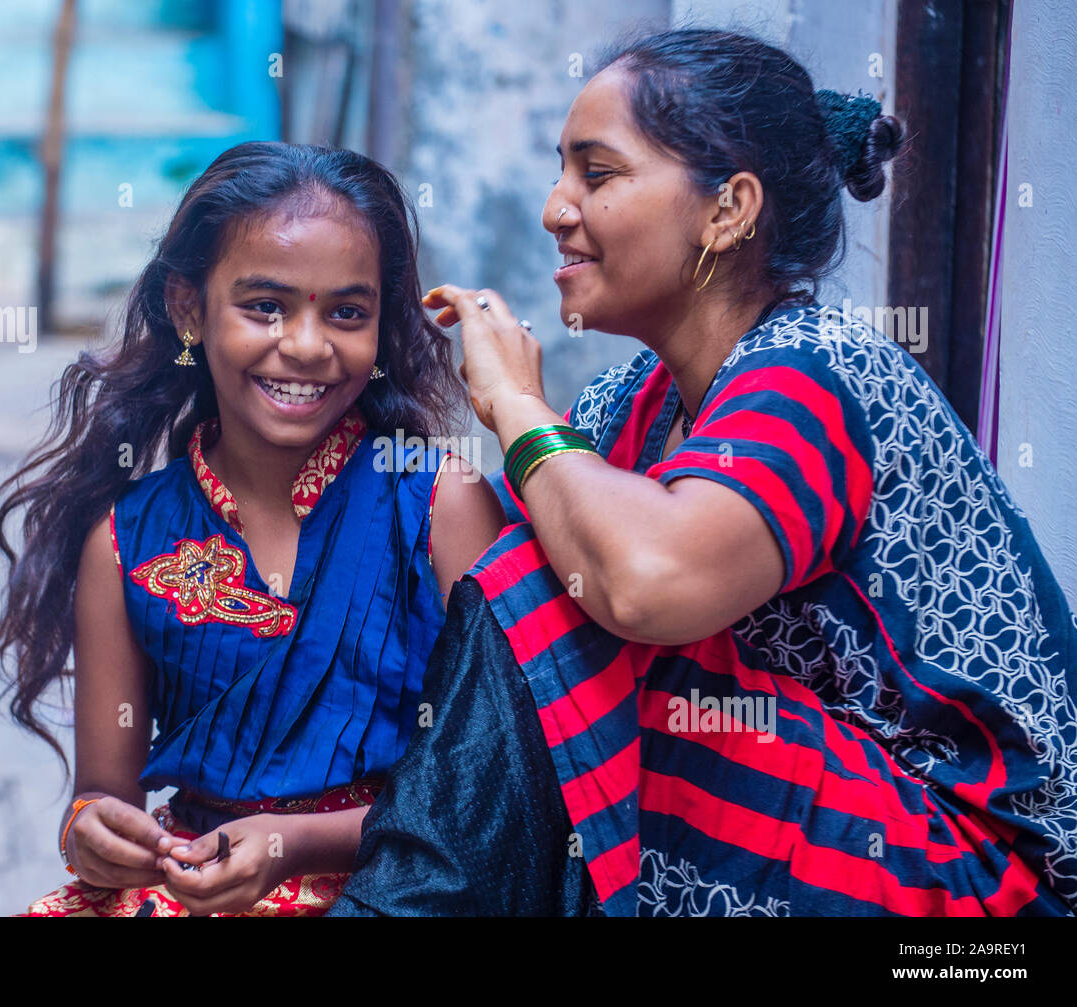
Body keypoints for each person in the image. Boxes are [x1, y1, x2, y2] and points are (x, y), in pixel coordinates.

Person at [328, 28, 1077, 917]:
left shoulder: (817, 367)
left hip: (977, 889)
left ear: (728, 210)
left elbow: (644, 583)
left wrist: (517, 405)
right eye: (561, 172)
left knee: (553, 582)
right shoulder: (632, 399)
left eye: (596, 174)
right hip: (819, 834)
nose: (554, 209)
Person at [0, 142, 506, 916]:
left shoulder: (440, 505)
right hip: (198, 889)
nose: (305, 344)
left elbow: (494, 789)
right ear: (189, 308)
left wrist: (296, 844)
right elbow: (99, 794)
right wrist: (90, 834)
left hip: (408, 890)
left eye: (347, 313)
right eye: (265, 305)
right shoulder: (125, 540)